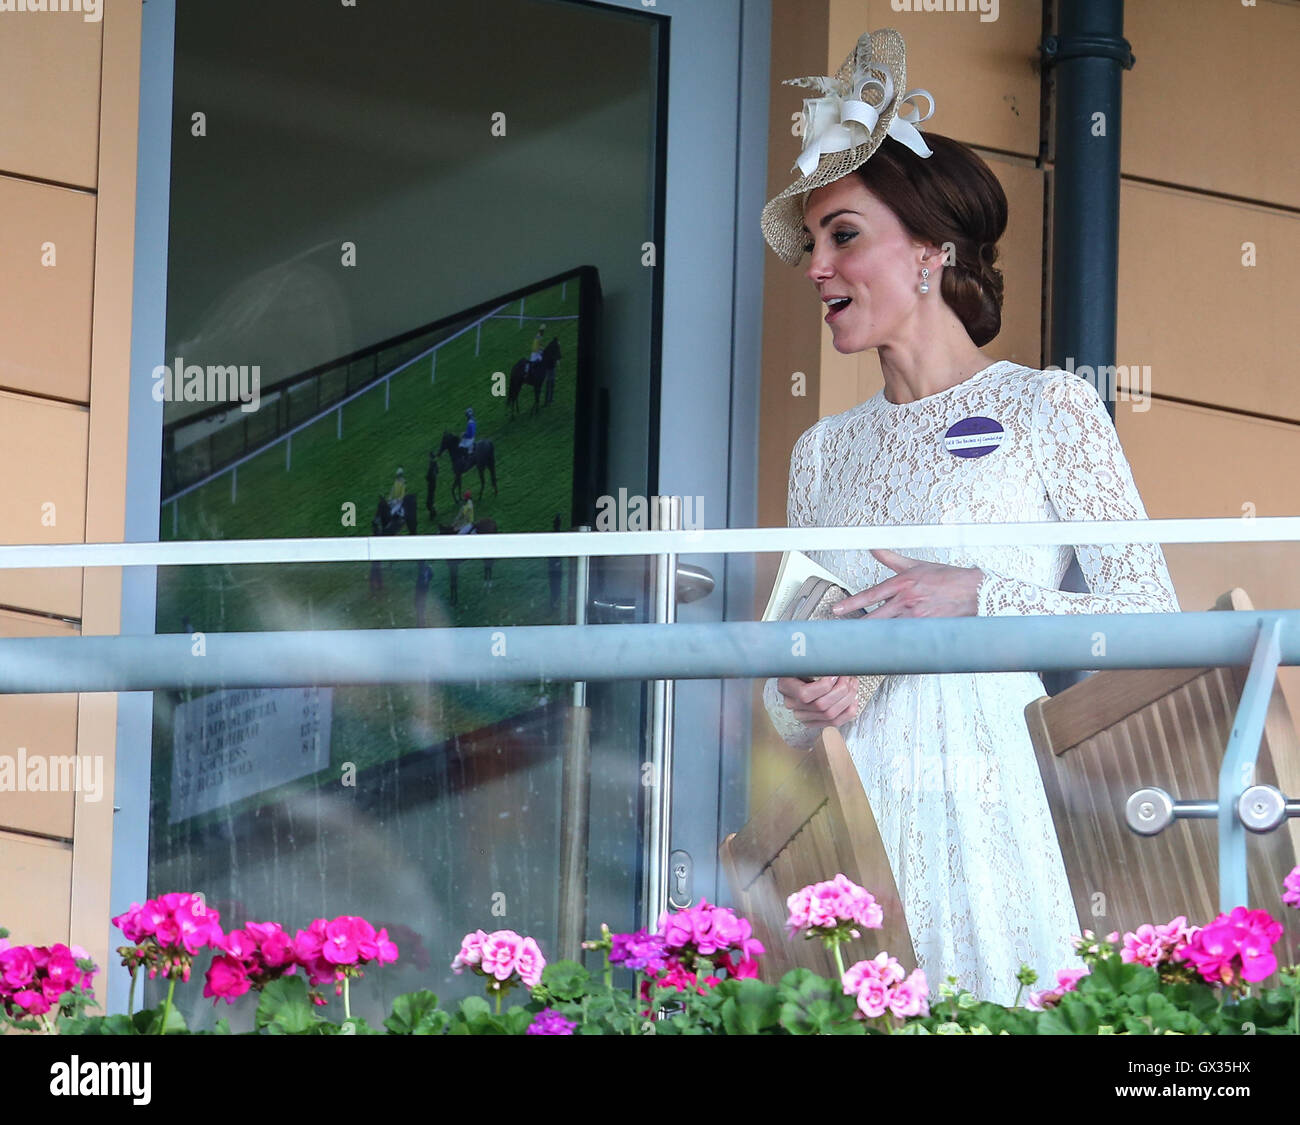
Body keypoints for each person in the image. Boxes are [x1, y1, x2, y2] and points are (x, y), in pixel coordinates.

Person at [759, 29, 1180, 1006]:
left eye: (843, 235)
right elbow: (781, 701)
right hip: (855, 804)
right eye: (812, 243)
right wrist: (802, 688)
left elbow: (1150, 615)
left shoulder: (1048, 407)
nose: (816, 267)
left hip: (990, 783)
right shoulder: (819, 451)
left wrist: (979, 595)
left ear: (931, 253)